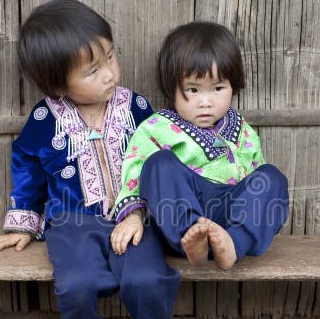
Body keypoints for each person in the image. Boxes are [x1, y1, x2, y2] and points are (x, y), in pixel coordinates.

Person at [0, 0, 184, 319]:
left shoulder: (136, 107)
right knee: (77, 283)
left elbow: (158, 159)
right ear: (59, 85)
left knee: (147, 280)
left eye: (110, 57)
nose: (109, 73)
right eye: (93, 70)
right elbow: (27, 165)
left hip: (133, 218)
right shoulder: (45, 120)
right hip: (71, 221)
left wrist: (142, 212)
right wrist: (23, 223)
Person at [110, 21, 289, 270]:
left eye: (218, 88)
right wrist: (133, 216)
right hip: (179, 219)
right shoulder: (156, 128)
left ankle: (233, 245)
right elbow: (134, 176)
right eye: (193, 90)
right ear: (171, 88)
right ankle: (193, 238)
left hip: (229, 217)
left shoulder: (243, 130)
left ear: (233, 86)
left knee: (271, 177)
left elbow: (254, 187)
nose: (205, 102)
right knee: (159, 164)